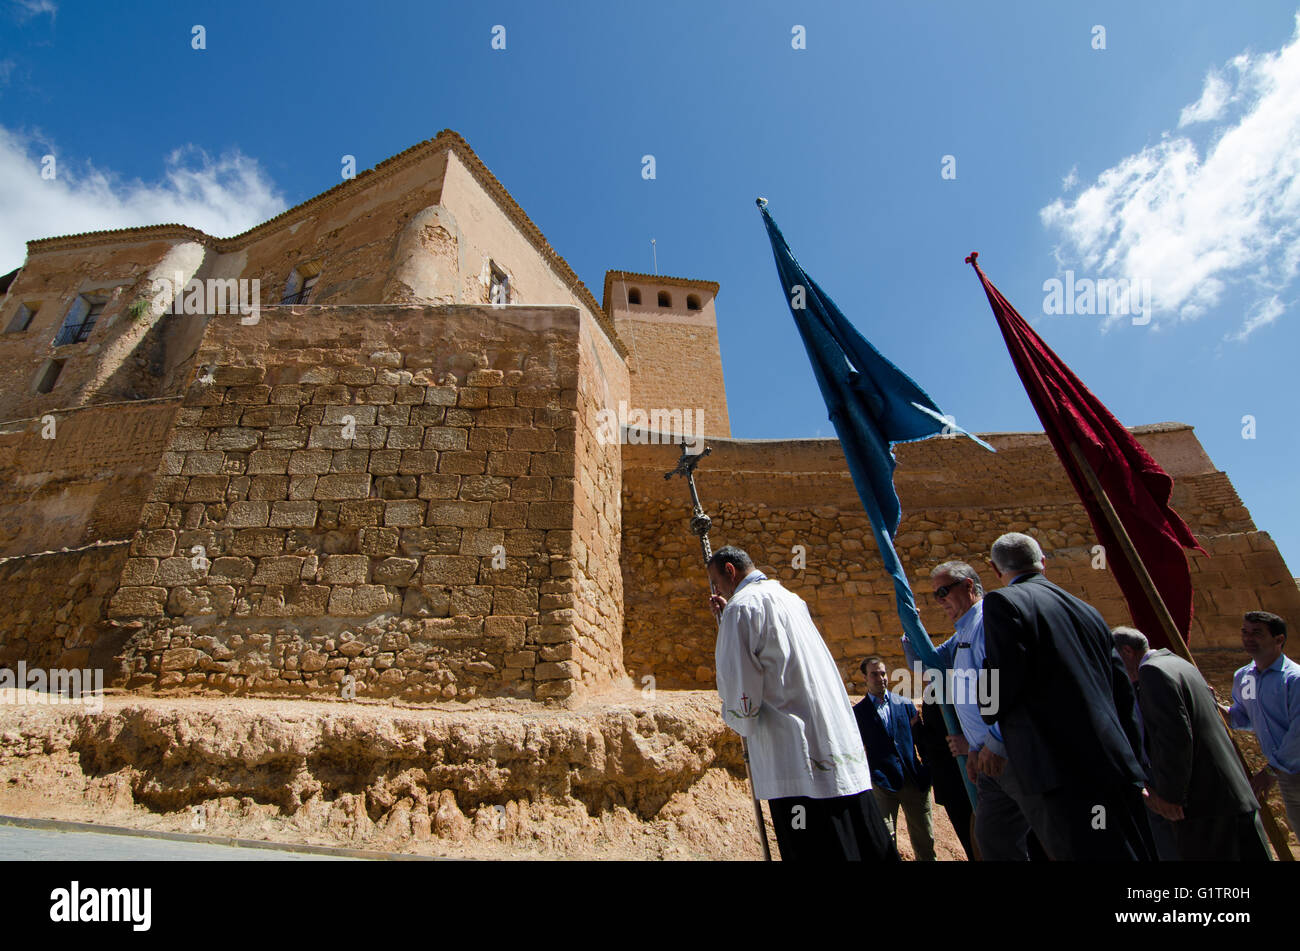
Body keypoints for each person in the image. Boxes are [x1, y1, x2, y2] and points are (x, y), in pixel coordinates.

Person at [708, 545, 898, 862]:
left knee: (816, 848)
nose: (716, 589)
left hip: (794, 763)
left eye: (716, 581)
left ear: (730, 571)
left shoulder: (740, 609)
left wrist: (740, 721)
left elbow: (741, 687)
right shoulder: (791, 600)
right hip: (838, 750)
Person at [979, 532, 1153, 860]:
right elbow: (1122, 693)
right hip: (1115, 766)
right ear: (1043, 561)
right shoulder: (1087, 610)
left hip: (1060, 771)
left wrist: (986, 702)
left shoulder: (1003, 602)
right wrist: (1133, 763)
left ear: (993, 568)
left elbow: (998, 681)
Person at [902, 560, 1033, 860]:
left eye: (944, 591)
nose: (940, 600)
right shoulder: (962, 632)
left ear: (969, 586)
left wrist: (993, 742)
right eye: (936, 595)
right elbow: (927, 668)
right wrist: (911, 631)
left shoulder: (987, 621)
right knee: (993, 842)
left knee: (1037, 836)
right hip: (986, 759)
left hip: (1007, 753)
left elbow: (1002, 684)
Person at [1113, 626, 1270, 861]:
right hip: (1230, 795)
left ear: (1127, 651)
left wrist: (1169, 796)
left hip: (1203, 803)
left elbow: (1174, 737)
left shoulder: (1152, 672)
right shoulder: (1178, 663)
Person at [1226, 611, 1300, 839]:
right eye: (1245, 632)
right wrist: (1213, 704)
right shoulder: (1245, 678)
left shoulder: (1294, 679)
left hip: (1282, 767)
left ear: (1279, 640)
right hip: (1287, 774)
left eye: (1257, 633)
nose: (1248, 638)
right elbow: (1244, 718)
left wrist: (1271, 771)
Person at [854, 656, 936, 861]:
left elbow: (922, 741)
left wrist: (926, 769)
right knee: (884, 843)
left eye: (883, 673)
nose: (881, 678)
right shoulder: (858, 713)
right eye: (874, 674)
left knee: (925, 841)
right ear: (865, 677)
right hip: (882, 785)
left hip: (914, 781)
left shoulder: (905, 705)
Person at [911, 694, 976, 860]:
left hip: (963, 777)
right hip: (951, 781)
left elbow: (940, 740)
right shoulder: (935, 692)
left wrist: (918, 730)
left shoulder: (945, 691)